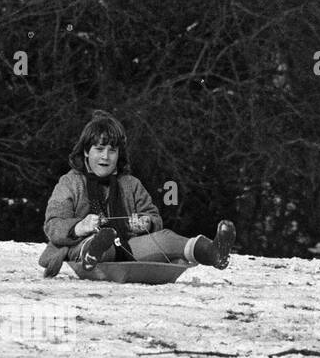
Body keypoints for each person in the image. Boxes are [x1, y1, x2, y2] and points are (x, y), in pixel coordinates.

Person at [38, 111, 235, 277]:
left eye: (112, 150)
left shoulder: (130, 184)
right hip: (82, 245)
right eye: (99, 149)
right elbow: (52, 224)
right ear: (86, 152)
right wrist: (79, 227)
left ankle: (213, 252)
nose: (105, 156)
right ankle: (92, 253)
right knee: (100, 244)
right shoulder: (70, 182)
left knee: (167, 238)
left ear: (119, 154)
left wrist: (146, 222)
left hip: (127, 247)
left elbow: (154, 217)